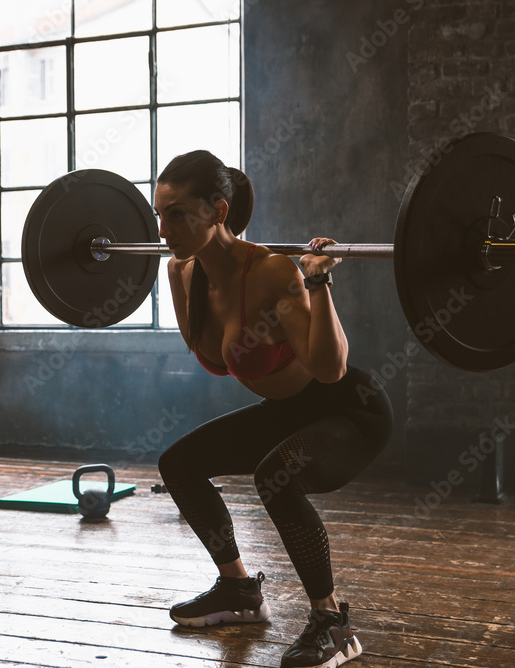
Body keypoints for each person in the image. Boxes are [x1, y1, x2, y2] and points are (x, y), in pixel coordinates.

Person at [155, 150, 393, 668]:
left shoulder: (268, 272)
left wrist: (316, 282)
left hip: (348, 409)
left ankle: (332, 623)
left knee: (277, 477)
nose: (162, 228)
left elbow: (328, 371)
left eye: (176, 214)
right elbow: (209, 352)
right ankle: (238, 590)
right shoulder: (181, 273)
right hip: (287, 410)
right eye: (159, 214)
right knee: (178, 464)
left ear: (218, 212)